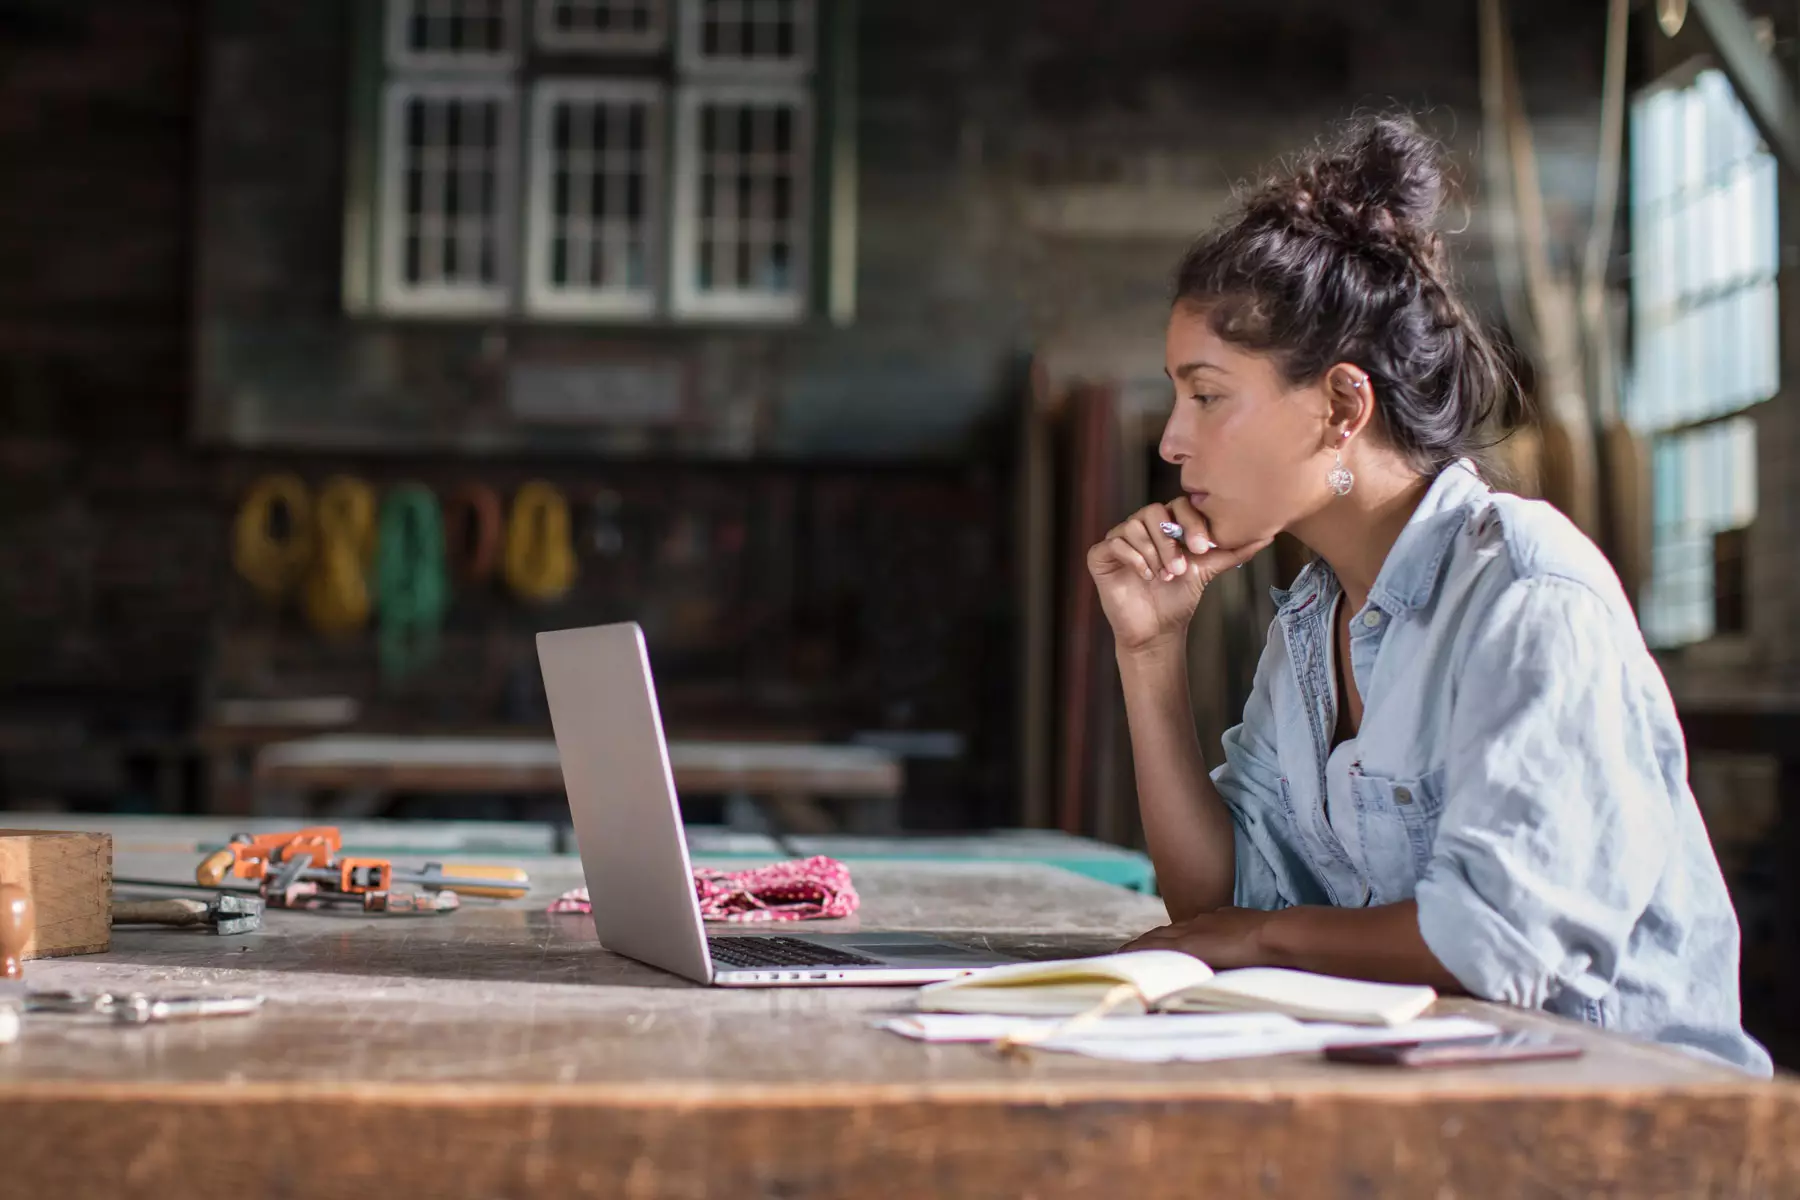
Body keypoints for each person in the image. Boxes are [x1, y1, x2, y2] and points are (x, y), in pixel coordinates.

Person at [1089, 113, 1771, 1075]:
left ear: (1340, 407)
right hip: (1452, 1113)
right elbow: (1214, 903)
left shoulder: (1529, 596)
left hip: (1633, 1127)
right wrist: (1150, 653)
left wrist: (1262, 941)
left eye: (1206, 394)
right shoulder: (1312, 623)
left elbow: (1493, 946)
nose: (1171, 441)